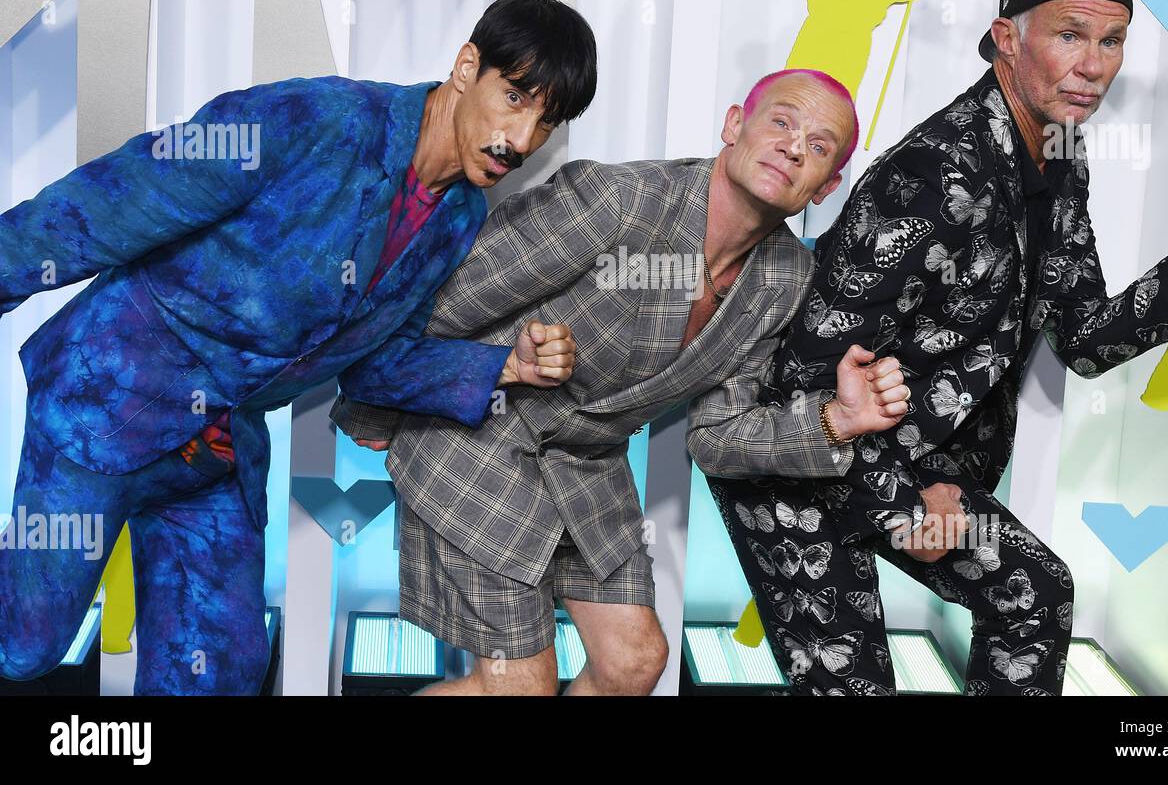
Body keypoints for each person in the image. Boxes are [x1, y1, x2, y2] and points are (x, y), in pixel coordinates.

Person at [0, 0, 593, 694]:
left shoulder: (459, 216)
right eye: (517, 99)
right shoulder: (315, 120)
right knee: (23, 644)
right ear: (468, 66)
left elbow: (377, 367)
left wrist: (507, 367)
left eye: (547, 122)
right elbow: (115, 199)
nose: (523, 142)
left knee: (217, 671)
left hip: (214, 453)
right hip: (103, 407)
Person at [707, 0, 1168, 696]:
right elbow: (808, 380)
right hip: (801, 469)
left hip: (912, 465)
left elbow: (1084, 338)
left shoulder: (1060, 149)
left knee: (1035, 595)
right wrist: (908, 503)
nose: (1095, 64)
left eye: (1112, 40)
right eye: (1070, 34)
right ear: (1008, 38)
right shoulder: (931, 176)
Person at [332, 68, 911, 695]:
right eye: (781, 122)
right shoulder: (623, 199)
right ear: (734, 125)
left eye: (819, 146)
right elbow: (447, 298)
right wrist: (377, 400)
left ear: (824, 188)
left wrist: (836, 421)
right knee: (517, 687)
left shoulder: (785, 280)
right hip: (481, 437)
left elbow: (716, 436)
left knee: (634, 663)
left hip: (587, 466)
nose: (795, 146)